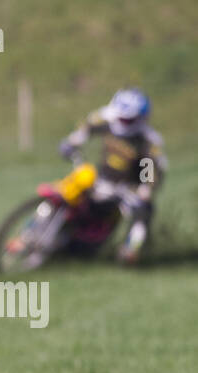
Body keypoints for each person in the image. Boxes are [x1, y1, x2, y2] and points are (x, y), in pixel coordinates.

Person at [58, 87, 167, 264]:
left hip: (127, 189)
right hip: (101, 180)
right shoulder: (108, 117)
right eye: (120, 116)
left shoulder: (147, 140)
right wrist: (72, 142)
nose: (122, 121)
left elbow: (151, 168)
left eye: (127, 118)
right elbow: (86, 128)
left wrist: (146, 188)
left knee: (143, 210)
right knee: (67, 191)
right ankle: (36, 231)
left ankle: (130, 250)